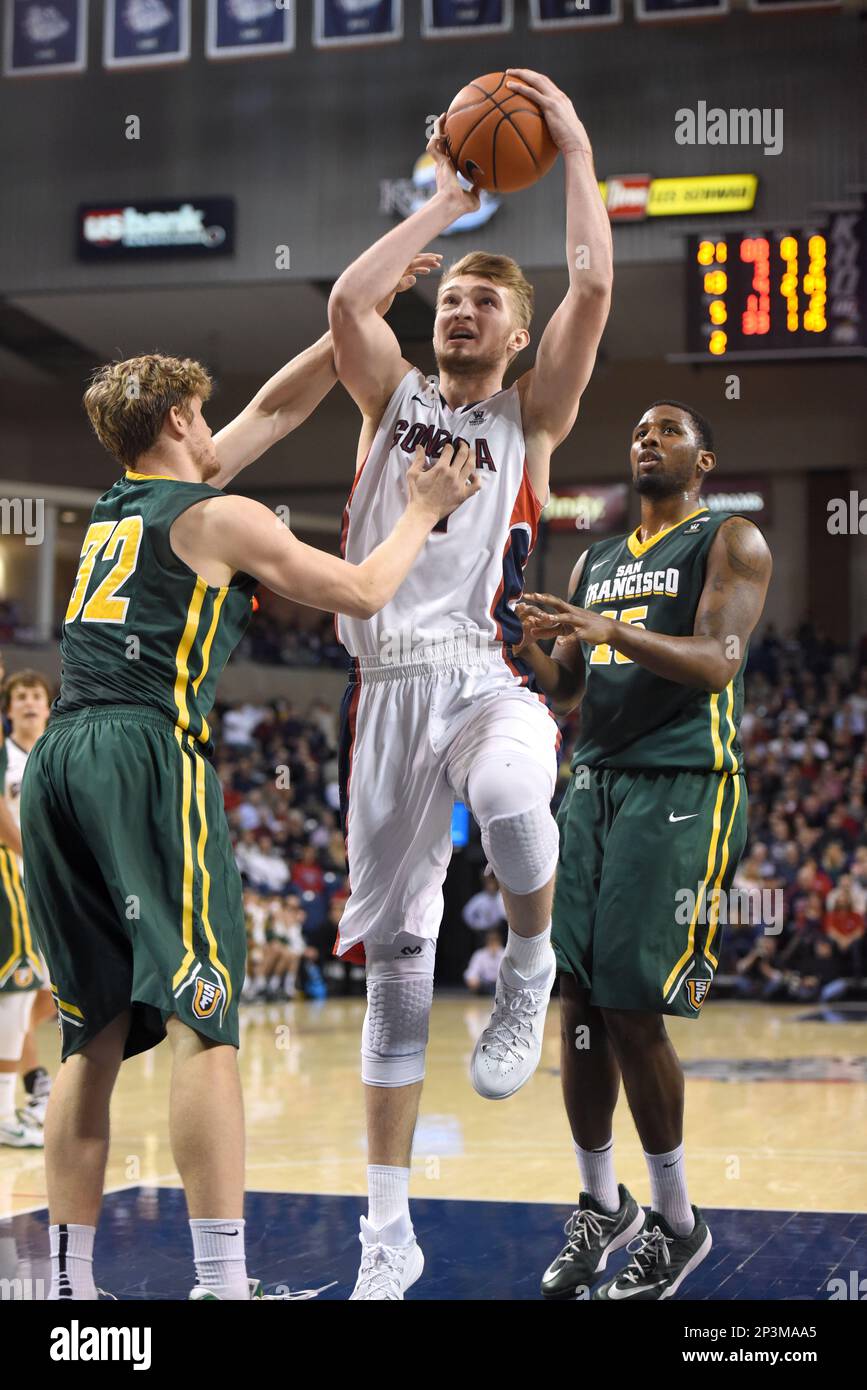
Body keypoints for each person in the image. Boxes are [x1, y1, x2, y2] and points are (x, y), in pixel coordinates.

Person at [19, 268, 477, 1302]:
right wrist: (424, 507)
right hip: (142, 752)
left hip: (62, 763)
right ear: (183, 416)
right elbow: (359, 591)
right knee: (205, 1021)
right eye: (205, 412)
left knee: (88, 1033)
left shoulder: (121, 503)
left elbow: (272, 408)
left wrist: (347, 328)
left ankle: (67, 1292)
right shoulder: (220, 519)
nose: (220, 420)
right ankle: (224, 1285)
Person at [327, 68, 612, 1298]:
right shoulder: (387, 396)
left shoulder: (530, 420)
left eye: (484, 301)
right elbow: (349, 296)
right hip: (381, 689)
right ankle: (386, 1237)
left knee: (509, 800)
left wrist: (579, 148)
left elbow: (592, 282)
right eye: (449, 297)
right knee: (396, 968)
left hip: (485, 676)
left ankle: (531, 962)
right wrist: (446, 207)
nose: (459, 308)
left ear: (513, 333)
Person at [516, 400, 772, 1301]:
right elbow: (573, 687)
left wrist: (610, 631)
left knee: (628, 998)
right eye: (637, 431)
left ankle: (677, 1221)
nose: (646, 440)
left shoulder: (730, 540)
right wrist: (533, 647)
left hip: (683, 787)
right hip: (593, 784)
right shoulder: (592, 560)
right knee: (576, 996)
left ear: (703, 459)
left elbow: (716, 660)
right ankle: (601, 1204)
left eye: (667, 430)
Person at [0, 670, 54, 1148]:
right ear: (9, 708)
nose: (29, 703)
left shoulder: (58, 750)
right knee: (19, 988)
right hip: (13, 881)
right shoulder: (5, 755)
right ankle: (24, 1094)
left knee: (43, 993)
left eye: (36, 695)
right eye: (20, 697)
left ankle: (30, 1079)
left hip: (49, 886)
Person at [464, 931, 506, 997]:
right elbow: (472, 972)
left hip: (502, 987)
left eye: (495, 942)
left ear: (499, 942)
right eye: (491, 942)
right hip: (484, 986)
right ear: (487, 943)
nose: (493, 945)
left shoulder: (505, 954)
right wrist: (472, 979)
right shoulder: (479, 954)